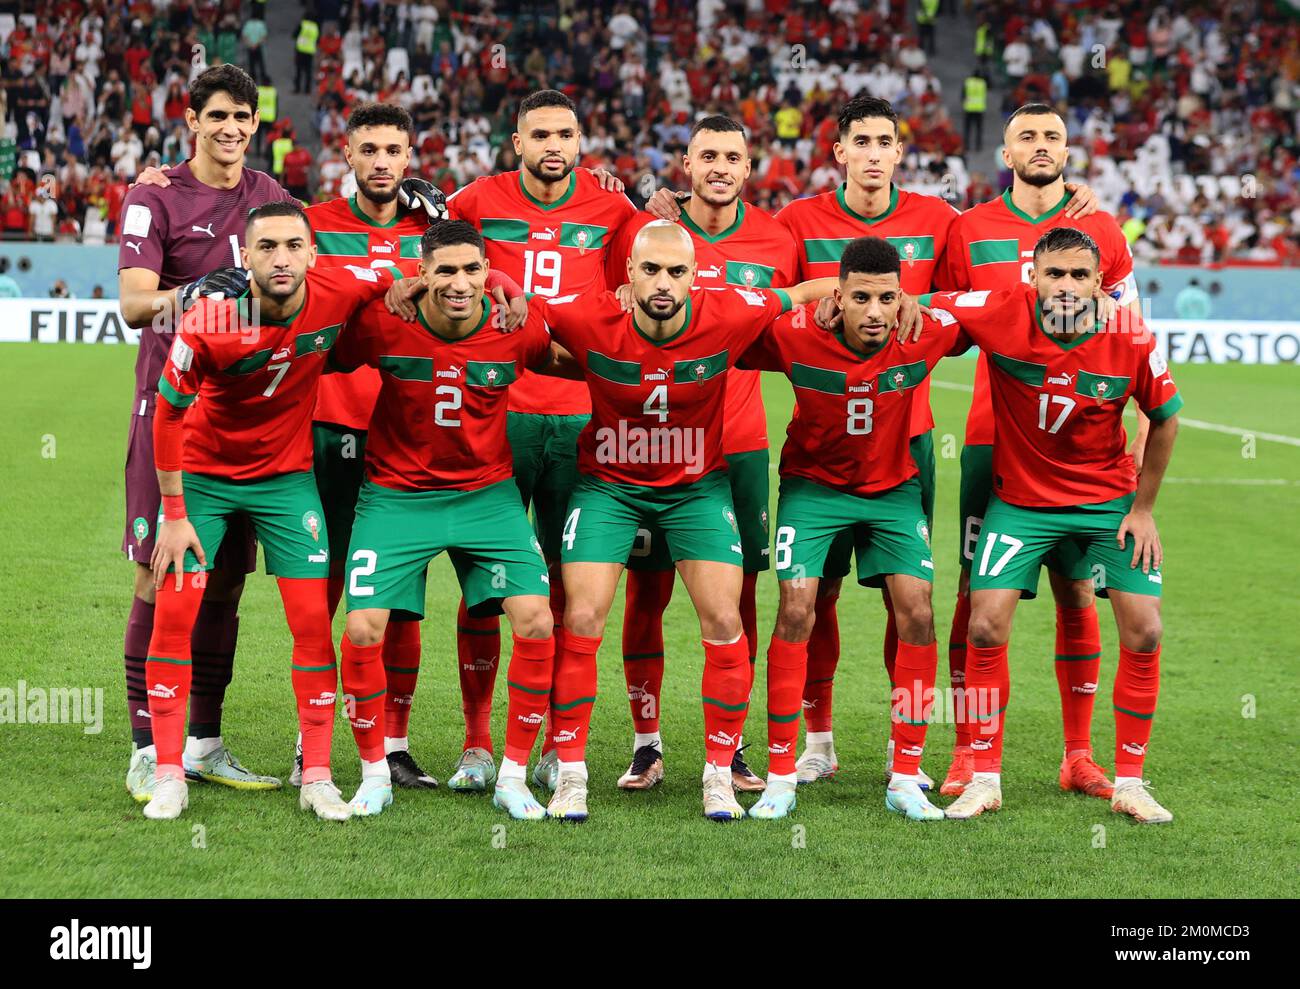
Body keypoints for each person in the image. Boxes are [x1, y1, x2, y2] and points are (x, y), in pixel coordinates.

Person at [539, 220, 835, 821]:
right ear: (628, 274)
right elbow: (518, 308)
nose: (664, 282)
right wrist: (489, 279)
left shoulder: (729, 313)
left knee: (725, 618)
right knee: (582, 616)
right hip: (609, 489)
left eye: (677, 271)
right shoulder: (587, 315)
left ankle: (718, 773)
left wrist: (890, 296)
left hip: (697, 490)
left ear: (696, 277)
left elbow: (803, 291)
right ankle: (570, 774)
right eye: (651, 269)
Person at [143, 200, 406, 820]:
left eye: (293, 246)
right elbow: (167, 415)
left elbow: (408, 273)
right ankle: (167, 773)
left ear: (314, 254)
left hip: (286, 481)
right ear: (245, 257)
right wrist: (175, 513)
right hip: (202, 480)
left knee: (313, 624)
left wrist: (500, 282)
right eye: (267, 248)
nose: (282, 259)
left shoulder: (342, 286)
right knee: (174, 618)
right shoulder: (209, 318)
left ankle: (316, 775)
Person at [925, 227, 1181, 824]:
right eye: (1054, 275)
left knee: (1144, 628)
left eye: (1079, 276)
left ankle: (1131, 781)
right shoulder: (998, 311)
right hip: (1022, 505)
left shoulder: (1131, 334)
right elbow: (924, 304)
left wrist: (1142, 510)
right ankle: (985, 776)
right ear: (1032, 279)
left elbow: (1166, 419)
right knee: (985, 624)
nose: (1066, 287)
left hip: (1108, 506)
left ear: (1099, 283)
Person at [937, 103, 1145, 799]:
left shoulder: (1102, 229)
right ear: (1005, 150)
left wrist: (1141, 435)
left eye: (1053, 135)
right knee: (976, 597)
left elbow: (1133, 332)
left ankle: (1079, 755)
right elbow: (944, 320)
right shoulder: (969, 228)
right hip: (991, 439)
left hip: (1086, 451)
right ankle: (970, 752)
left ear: (1068, 148)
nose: (1041, 145)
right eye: (1027, 135)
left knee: (1077, 590)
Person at [331, 221, 572, 820]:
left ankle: (513, 777)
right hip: (395, 497)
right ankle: (373, 776)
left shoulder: (516, 325)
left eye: (472, 270)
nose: (460, 283)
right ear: (422, 273)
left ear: (488, 272)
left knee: (538, 620)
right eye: (445, 270)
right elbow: (322, 331)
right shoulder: (385, 323)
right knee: (362, 628)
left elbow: (576, 358)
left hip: (487, 498)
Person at [444, 89, 636, 794]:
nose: (553, 146)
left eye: (565, 134)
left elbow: (652, 269)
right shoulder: (477, 200)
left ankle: (558, 740)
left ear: (581, 139)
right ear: (515, 142)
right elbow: (419, 229)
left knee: (565, 583)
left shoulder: (614, 209)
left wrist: (664, 201)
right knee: (485, 582)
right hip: (497, 410)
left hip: (582, 413)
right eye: (539, 135)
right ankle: (475, 742)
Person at [741, 236, 968, 822]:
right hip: (813, 491)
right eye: (859, 297)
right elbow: (741, 307)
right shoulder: (794, 334)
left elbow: (994, 305)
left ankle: (906, 775)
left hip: (893, 491)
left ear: (902, 299)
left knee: (918, 611)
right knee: (797, 608)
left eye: (887, 298)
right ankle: (782, 772)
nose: (874, 311)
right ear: (838, 297)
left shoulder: (927, 331)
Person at [607, 115, 800, 793]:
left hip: (739, 446)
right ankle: (645, 742)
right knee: (646, 590)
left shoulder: (778, 237)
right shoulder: (649, 232)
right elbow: (608, 312)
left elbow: (803, 316)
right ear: (685, 162)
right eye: (707, 154)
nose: (719, 166)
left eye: (733, 156)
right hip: (650, 443)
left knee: (738, 595)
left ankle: (733, 744)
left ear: (750, 169)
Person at [117, 64, 293, 804]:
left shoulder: (274, 198)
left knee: (222, 584)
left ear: (256, 124)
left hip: (247, 424)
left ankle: (205, 741)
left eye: (243, 117)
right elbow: (133, 306)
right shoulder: (153, 195)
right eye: (217, 115)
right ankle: (142, 745)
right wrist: (196, 293)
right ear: (191, 119)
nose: (231, 128)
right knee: (163, 574)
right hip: (173, 414)